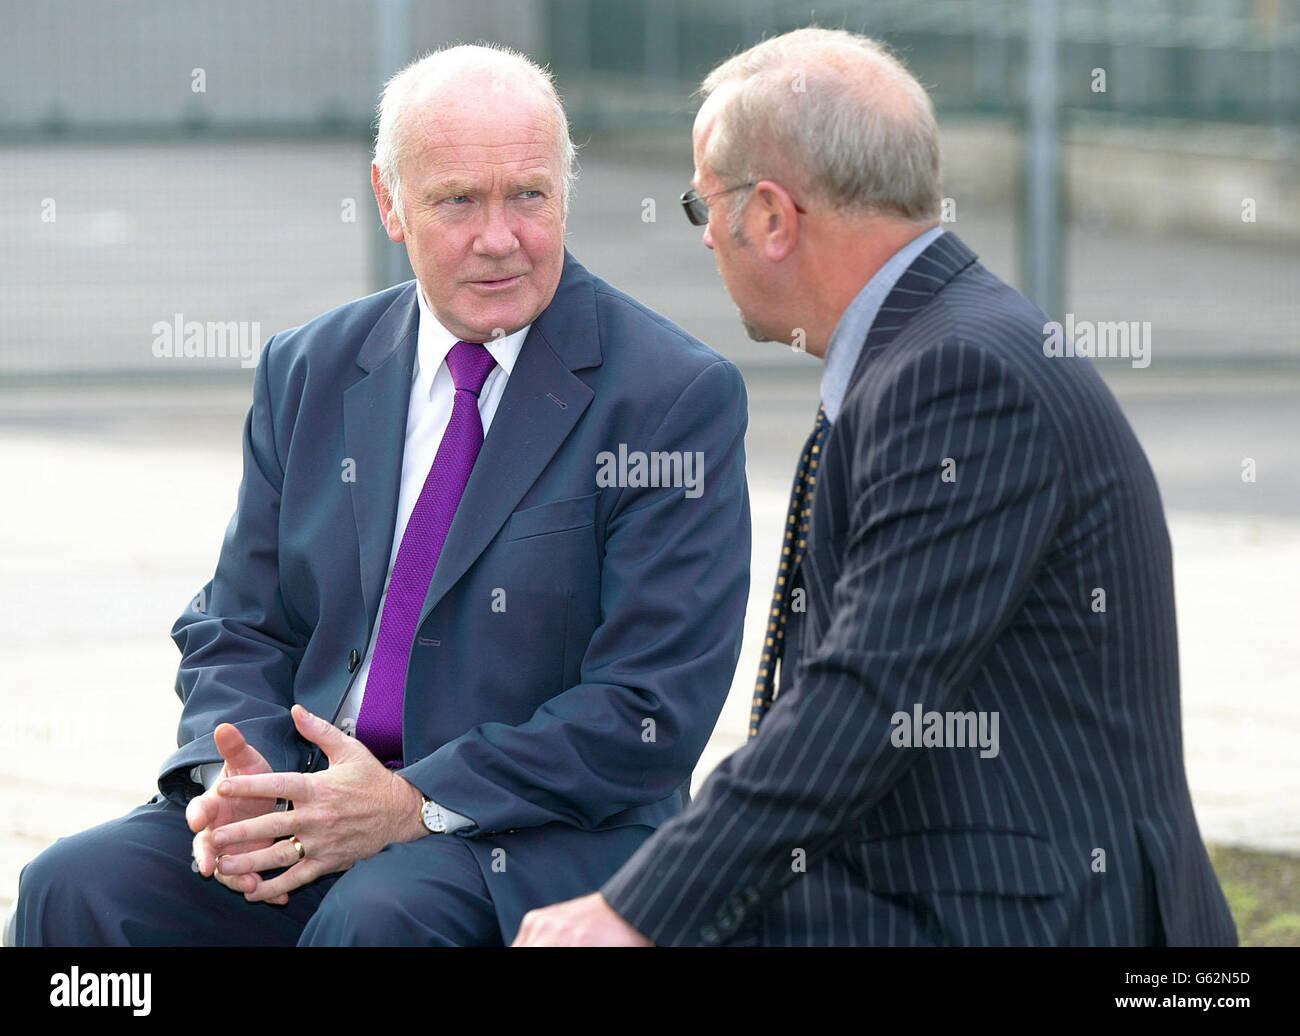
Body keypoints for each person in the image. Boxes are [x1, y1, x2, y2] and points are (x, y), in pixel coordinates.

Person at [14, 43, 751, 946]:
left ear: (567, 192)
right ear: (388, 201)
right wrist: (233, 788)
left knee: (379, 917)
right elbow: (240, 621)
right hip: (308, 805)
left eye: (528, 194)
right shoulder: (311, 367)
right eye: (457, 201)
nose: (499, 236)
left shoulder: (671, 397)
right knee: (73, 888)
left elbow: (648, 707)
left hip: (527, 836)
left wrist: (408, 803)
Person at [514, 27, 1237, 947]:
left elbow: (868, 695)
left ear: (771, 217)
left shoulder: (961, 378)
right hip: (962, 882)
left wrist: (632, 912)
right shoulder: (935, 345)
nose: (706, 241)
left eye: (705, 208)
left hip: (1040, 914)